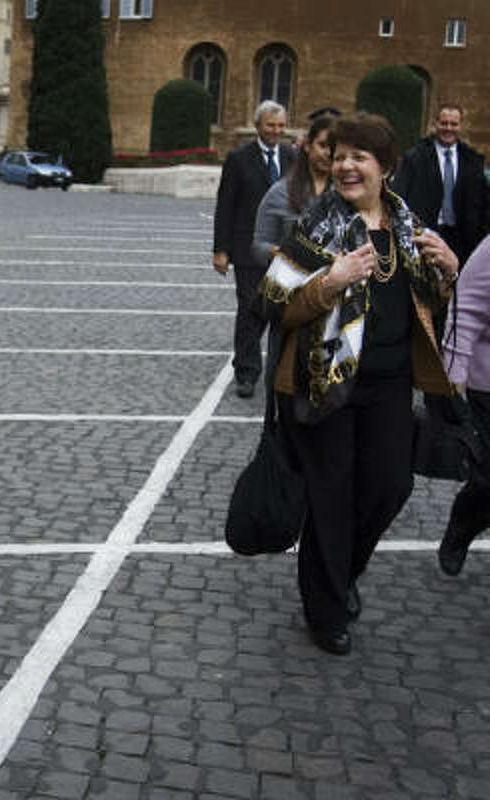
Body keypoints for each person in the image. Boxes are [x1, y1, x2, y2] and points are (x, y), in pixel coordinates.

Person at [258, 113, 459, 656]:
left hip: (391, 385)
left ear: (386, 167)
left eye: (359, 157)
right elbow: (273, 303)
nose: (346, 165)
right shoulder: (317, 225)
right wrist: (330, 282)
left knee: (391, 485)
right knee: (331, 495)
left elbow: (425, 304)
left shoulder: (406, 225)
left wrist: (448, 270)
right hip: (325, 384)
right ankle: (325, 608)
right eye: (340, 155)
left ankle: (341, 571)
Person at [213, 100, 297, 398]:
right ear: (258, 125)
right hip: (248, 249)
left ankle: (281, 371)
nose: (275, 130)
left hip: (285, 251)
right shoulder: (239, 159)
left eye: (280, 125)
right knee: (250, 310)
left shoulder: (292, 157)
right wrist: (220, 250)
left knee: (284, 312)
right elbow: (226, 206)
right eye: (270, 125)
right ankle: (247, 372)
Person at [437, 233, 490, 575]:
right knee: (488, 478)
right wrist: (452, 377)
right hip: (487, 385)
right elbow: (466, 308)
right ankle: (464, 523)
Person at [391, 103, 489, 270]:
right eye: (444, 123)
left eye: (454, 124)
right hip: (426, 235)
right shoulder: (415, 158)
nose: (448, 128)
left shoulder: (473, 161)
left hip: (463, 240)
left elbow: (484, 203)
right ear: (435, 124)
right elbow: (399, 197)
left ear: (461, 126)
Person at [252, 112, 336, 266]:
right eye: (322, 145)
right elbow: (260, 245)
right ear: (307, 145)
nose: (328, 153)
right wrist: (285, 253)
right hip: (290, 282)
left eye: (334, 147)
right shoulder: (280, 192)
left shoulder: (349, 194)